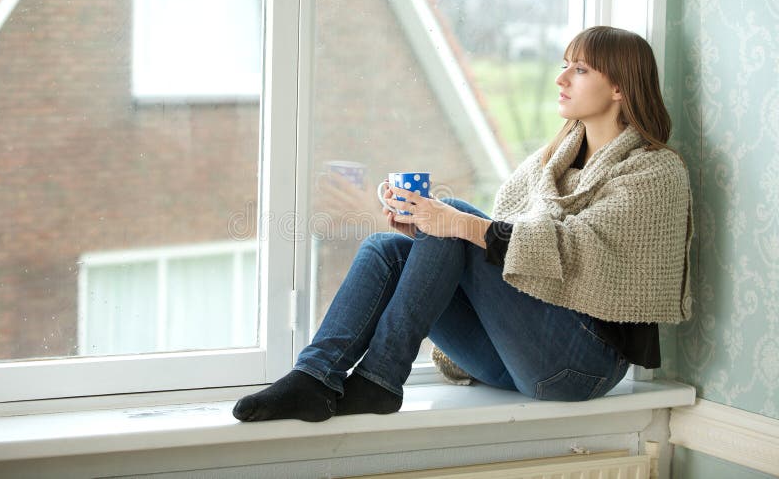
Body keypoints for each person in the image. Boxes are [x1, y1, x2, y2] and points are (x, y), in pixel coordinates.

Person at [232, 25, 694, 423]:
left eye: (580, 69)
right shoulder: (550, 162)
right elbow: (499, 243)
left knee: (453, 218)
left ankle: (379, 379)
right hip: (512, 359)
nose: (561, 78)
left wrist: (448, 221)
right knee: (385, 249)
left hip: (582, 366)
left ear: (619, 88)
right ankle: (313, 376)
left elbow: (574, 250)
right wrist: (422, 228)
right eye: (564, 66)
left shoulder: (653, 171)